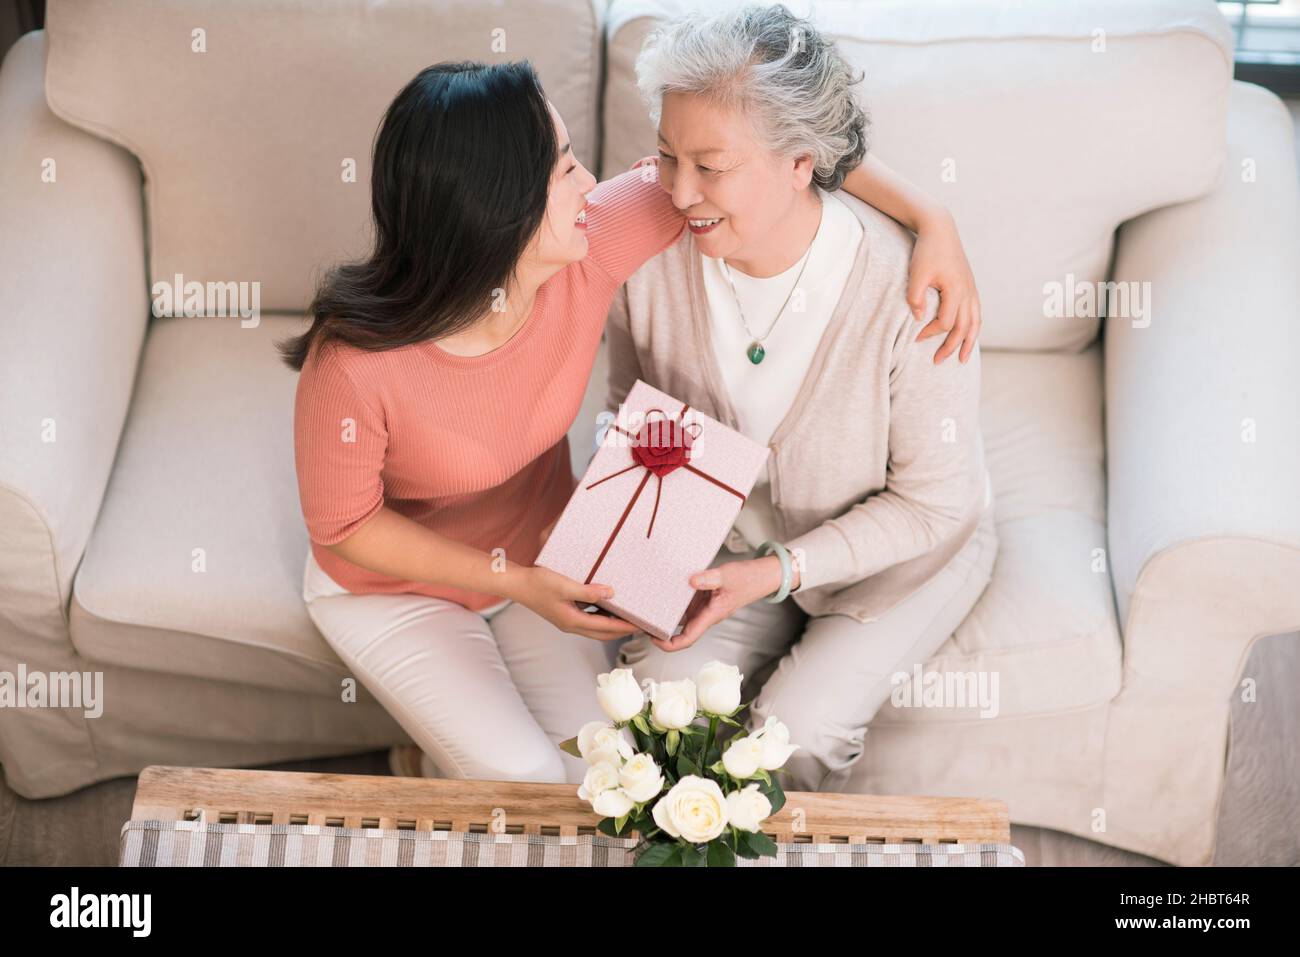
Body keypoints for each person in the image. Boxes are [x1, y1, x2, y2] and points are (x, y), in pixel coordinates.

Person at [280, 49, 983, 785]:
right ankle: (429, 764)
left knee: (613, 774)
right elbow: (344, 527)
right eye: (564, 168)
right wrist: (518, 583)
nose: (593, 181)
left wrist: (931, 215)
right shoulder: (354, 364)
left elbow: (770, 148)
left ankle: (440, 755)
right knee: (529, 781)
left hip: (537, 557)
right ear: (497, 212)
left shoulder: (592, 240)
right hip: (396, 587)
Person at [601, 3, 999, 793]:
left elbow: (932, 503)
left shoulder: (910, 289)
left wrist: (776, 571)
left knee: (795, 738)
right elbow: (630, 407)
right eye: (666, 155)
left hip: (903, 555)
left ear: (801, 164)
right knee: (651, 713)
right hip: (727, 541)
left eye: (710, 166)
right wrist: (628, 541)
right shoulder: (646, 249)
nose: (678, 192)